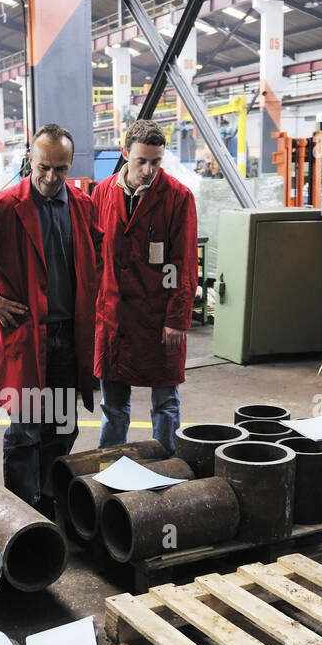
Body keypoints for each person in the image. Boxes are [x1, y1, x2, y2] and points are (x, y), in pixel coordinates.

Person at [0, 123, 103, 516]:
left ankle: (48, 501)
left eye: (60, 168)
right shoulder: (4, 205)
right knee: (26, 430)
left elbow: (97, 257)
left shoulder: (82, 206)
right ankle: (18, 512)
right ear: (30, 161)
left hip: (67, 338)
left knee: (62, 427)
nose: (51, 177)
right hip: (28, 338)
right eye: (44, 167)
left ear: (71, 165)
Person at [92, 119, 198, 457]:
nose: (149, 170)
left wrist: (177, 319)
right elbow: (95, 257)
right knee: (113, 403)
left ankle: (166, 462)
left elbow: (183, 264)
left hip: (158, 319)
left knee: (165, 402)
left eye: (156, 161)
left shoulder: (178, 198)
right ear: (125, 154)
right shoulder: (102, 193)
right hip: (114, 317)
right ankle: (109, 463)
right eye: (141, 161)